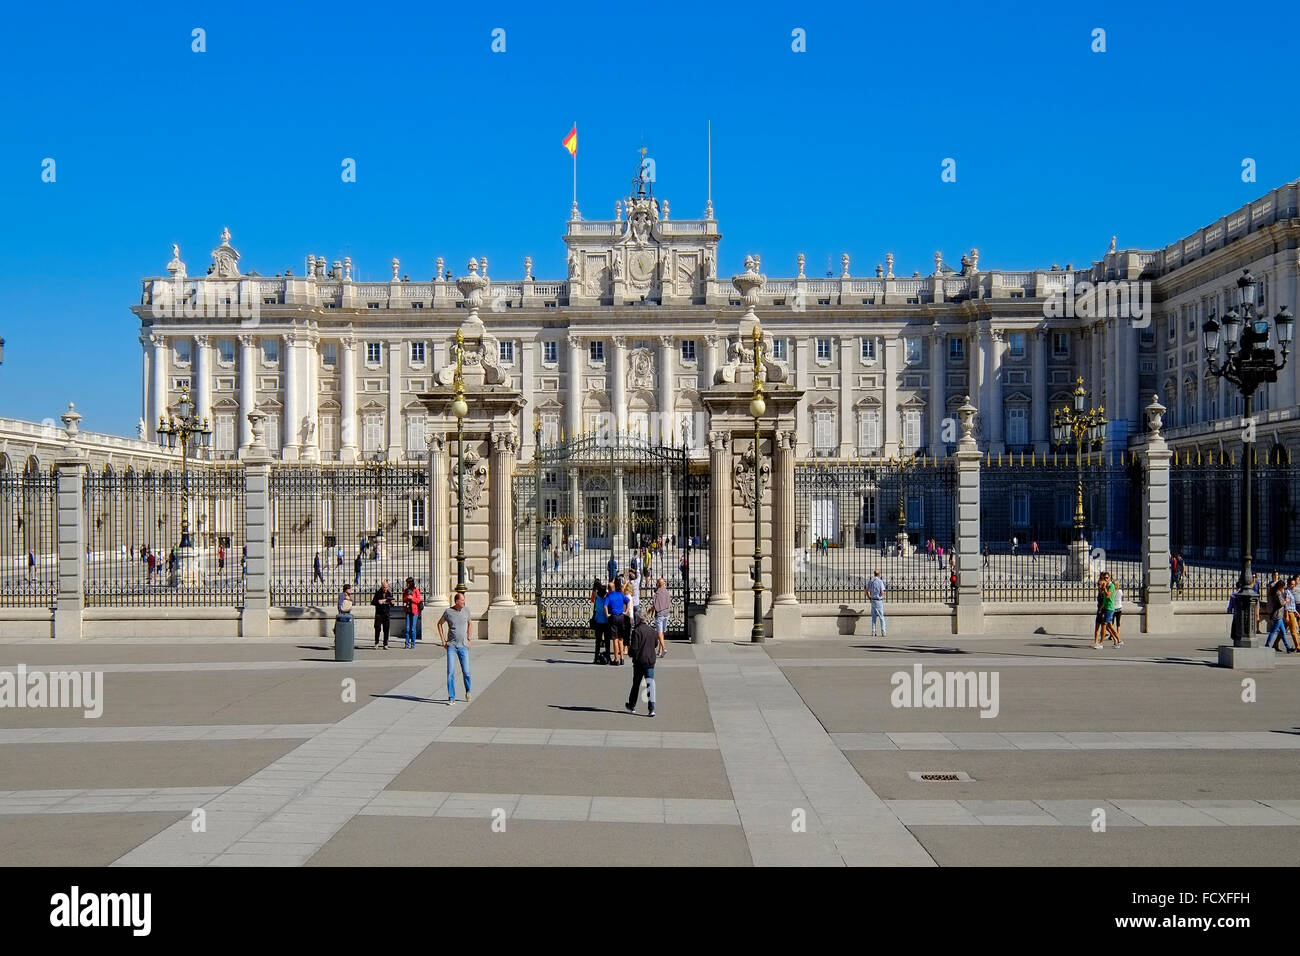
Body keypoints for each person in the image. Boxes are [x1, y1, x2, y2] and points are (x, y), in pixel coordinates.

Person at [624, 605, 660, 717]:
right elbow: (655, 644)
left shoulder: (637, 631)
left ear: (638, 618)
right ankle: (651, 708)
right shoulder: (652, 631)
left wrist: (630, 654)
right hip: (650, 661)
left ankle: (632, 705)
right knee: (650, 684)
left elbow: (634, 648)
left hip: (639, 661)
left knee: (636, 684)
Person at [438, 591, 473, 704]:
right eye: (462, 600)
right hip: (451, 646)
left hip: (463, 646)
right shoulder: (448, 612)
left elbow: (470, 623)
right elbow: (439, 624)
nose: (464, 602)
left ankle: (468, 690)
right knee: (450, 672)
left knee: (466, 672)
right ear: (456, 601)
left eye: (464, 600)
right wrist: (443, 640)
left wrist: (469, 638)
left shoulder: (466, 611)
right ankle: (451, 697)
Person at [605, 577, 631, 665]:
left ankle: (616, 659)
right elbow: (628, 601)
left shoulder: (609, 596)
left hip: (614, 617)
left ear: (609, 589)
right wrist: (626, 611)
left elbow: (605, 606)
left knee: (615, 639)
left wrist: (607, 614)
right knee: (621, 638)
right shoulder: (620, 594)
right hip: (621, 616)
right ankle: (622, 658)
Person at [1094, 572, 1121, 648]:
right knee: (1109, 626)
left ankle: (1101, 643)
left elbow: (1108, 596)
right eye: (1104, 578)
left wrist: (1104, 588)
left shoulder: (1111, 586)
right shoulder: (1106, 586)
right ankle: (1119, 640)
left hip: (1109, 608)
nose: (1105, 579)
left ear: (1109, 578)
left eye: (1106, 578)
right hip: (1106, 608)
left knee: (1104, 625)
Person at [371, 579, 395, 649]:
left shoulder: (389, 593)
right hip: (379, 613)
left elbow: (392, 603)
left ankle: (385, 643)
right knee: (377, 628)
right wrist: (378, 602)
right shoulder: (378, 593)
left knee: (386, 629)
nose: (385, 589)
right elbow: (373, 602)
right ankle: (376, 642)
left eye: (386, 587)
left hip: (386, 614)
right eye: (384, 587)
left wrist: (392, 603)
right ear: (382, 587)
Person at [591, 580, 610, 665]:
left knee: (598, 641)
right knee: (607, 641)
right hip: (606, 621)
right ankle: (608, 656)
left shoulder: (597, 598)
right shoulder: (606, 600)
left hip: (598, 621)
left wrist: (595, 587)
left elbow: (594, 592)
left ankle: (596, 657)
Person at [652, 577, 671, 657]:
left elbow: (654, 605)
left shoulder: (657, 594)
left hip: (659, 614)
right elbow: (669, 602)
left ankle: (663, 648)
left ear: (658, 584)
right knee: (662, 633)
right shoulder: (667, 592)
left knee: (659, 633)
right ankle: (659, 651)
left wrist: (653, 611)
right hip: (666, 613)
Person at [403, 577, 423, 646]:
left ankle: (413, 643)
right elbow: (404, 600)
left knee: (412, 628)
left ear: (410, 583)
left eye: (407, 583)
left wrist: (412, 598)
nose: (406, 584)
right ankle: (407, 643)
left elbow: (418, 600)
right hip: (408, 610)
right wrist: (406, 598)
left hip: (414, 611)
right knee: (407, 628)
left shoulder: (416, 590)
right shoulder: (406, 591)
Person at [867, 570, 886, 637]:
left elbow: (867, 591)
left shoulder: (871, 581)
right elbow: (882, 592)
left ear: (874, 574)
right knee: (881, 616)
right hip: (879, 600)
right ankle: (883, 631)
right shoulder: (880, 582)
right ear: (879, 574)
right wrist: (882, 593)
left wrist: (869, 597)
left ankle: (873, 631)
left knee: (873, 616)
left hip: (873, 600)